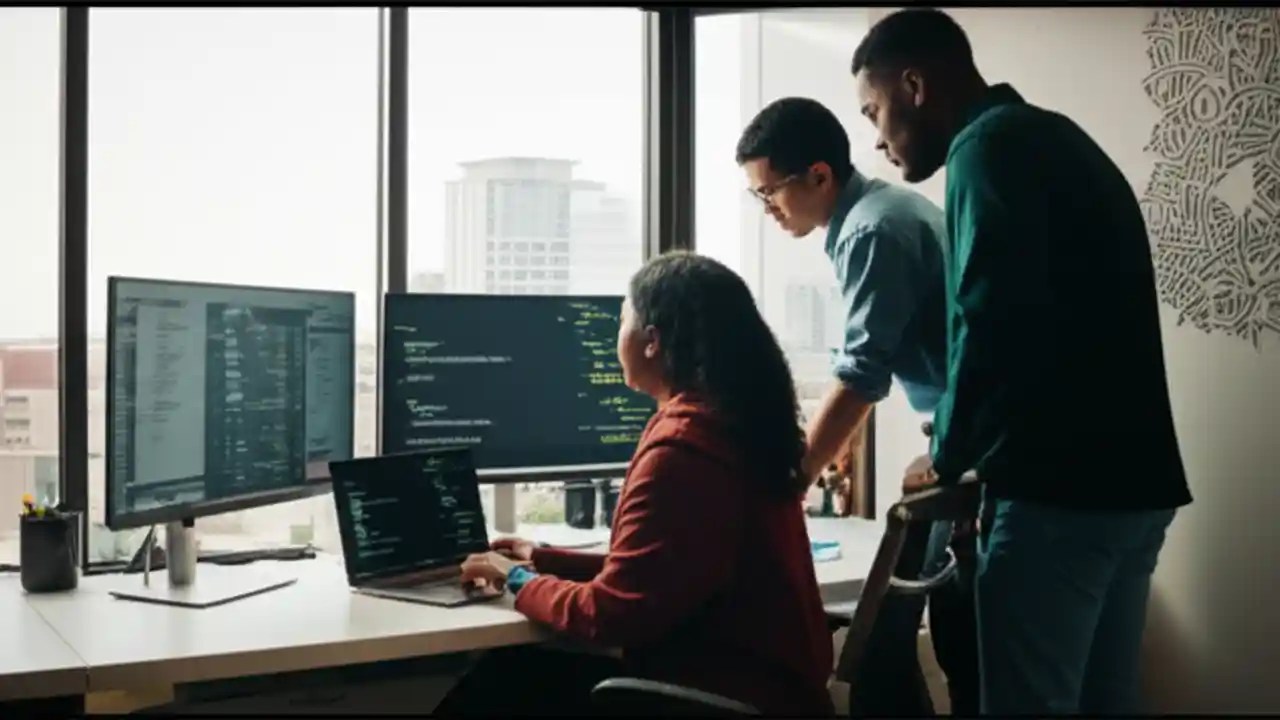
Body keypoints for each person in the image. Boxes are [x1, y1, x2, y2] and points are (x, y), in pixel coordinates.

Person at [850, 8, 1193, 715]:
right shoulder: (1055, 137)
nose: (876, 140)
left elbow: (989, 319)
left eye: (874, 111)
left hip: (1058, 497)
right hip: (1135, 487)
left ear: (914, 85)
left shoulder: (987, 149)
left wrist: (946, 453)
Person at [438, 251, 834, 716]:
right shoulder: (733, 425)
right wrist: (541, 558)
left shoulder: (684, 451)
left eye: (621, 320)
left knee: (498, 681)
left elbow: (609, 615)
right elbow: (663, 571)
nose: (614, 336)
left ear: (652, 341)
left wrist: (515, 580)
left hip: (717, 698)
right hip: (766, 693)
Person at [736, 96, 978, 715]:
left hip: (973, 453)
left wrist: (791, 484)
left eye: (771, 193)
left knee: (959, 649)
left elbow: (861, 374)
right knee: (924, 646)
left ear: (819, 175)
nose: (767, 210)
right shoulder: (890, 210)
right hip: (964, 441)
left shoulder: (871, 229)